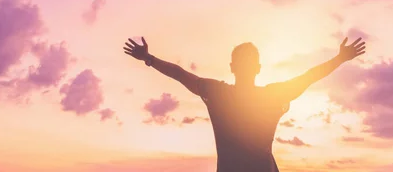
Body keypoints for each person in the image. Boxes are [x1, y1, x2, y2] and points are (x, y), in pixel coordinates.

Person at [123, 36, 366, 172]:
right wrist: (339, 59)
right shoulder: (272, 95)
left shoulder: (216, 93)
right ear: (258, 68)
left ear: (232, 67)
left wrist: (149, 59)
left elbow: (179, 74)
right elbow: (310, 76)